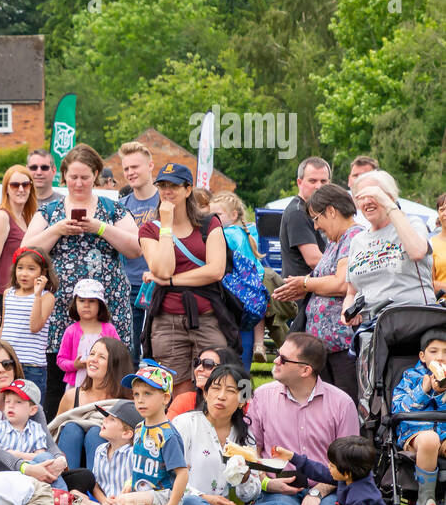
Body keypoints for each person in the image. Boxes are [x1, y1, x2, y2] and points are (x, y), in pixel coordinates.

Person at [23, 144, 140, 416]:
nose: (78, 183)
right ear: (63, 176)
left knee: (113, 372)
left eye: (85, 177)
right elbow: (27, 250)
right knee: (59, 376)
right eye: (73, 177)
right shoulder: (49, 212)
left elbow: (135, 248)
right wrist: (58, 229)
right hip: (64, 307)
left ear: (96, 175)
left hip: (109, 305)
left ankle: (117, 427)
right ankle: (60, 434)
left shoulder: (113, 210)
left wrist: (99, 227)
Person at [136, 162, 236, 395]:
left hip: (207, 316)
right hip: (167, 320)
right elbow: (162, 270)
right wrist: (167, 226)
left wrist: (171, 282)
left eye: (174, 186)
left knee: (215, 380)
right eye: (162, 186)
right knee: (174, 387)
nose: (167, 191)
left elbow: (215, 271)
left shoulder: (209, 223)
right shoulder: (150, 229)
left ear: (188, 189)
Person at [246, 333, 359, 505]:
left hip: (327, 489)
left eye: (283, 359)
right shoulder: (262, 396)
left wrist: (317, 492)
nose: (276, 361)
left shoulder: (342, 403)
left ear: (305, 370)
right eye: (278, 355)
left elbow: (349, 464)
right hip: (277, 489)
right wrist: (267, 482)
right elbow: (252, 450)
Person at [271, 184, 362, 401]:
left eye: (317, 218)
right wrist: (300, 288)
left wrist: (305, 284)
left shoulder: (354, 236)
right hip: (326, 348)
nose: (316, 226)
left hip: (343, 347)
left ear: (331, 211)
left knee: (345, 404)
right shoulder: (335, 241)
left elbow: (342, 283)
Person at [168, 362, 266, 505]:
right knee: (192, 503)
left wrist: (244, 478)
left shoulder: (245, 436)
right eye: (215, 388)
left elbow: (249, 495)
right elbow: (169, 477)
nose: (221, 396)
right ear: (205, 394)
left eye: (230, 391)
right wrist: (205, 500)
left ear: (242, 400)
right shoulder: (184, 424)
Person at [104, 363, 187, 505]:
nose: (140, 400)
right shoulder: (140, 429)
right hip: (140, 499)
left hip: (164, 497)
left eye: (147, 394)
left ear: (165, 398)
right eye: (136, 394)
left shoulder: (168, 435)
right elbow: (138, 465)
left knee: (124, 502)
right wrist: (128, 483)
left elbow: (182, 473)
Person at [0, 339, 63, 482]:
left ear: (15, 368)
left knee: (82, 476)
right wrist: (26, 468)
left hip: (30, 471)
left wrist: (59, 460)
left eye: (7, 364)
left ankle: (62, 499)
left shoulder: (31, 405)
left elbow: (49, 444)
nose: (1, 370)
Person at [343, 170, 435, 326]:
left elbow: (418, 252)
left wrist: (388, 205)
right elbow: (351, 292)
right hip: (372, 328)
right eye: (361, 197)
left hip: (413, 321)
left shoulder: (411, 223)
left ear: (390, 197)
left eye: (373, 195)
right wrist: (347, 311)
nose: (367, 202)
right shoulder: (357, 240)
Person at [389, 328, 446, 505]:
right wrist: (424, 389)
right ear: (422, 356)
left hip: (444, 433)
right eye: (434, 351)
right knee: (431, 439)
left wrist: (441, 394)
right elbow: (399, 407)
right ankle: (426, 499)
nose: (440, 357)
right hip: (416, 434)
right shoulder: (410, 376)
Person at [49, 336, 133, 469]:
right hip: (68, 467)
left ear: (115, 365)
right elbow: (54, 434)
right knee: (71, 429)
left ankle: (96, 488)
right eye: (92, 354)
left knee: (95, 432)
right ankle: (67, 486)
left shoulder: (126, 403)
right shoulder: (71, 396)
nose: (93, 359)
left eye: (101, 357)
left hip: (110, 471)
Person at [209, 190, 268, 365]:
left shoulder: (226, 234)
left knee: (232, 347)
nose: (213, 218)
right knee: (247, 337)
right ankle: (258, 346)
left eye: (217, 214)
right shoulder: (247, 232)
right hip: (252, 291)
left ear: (234, 214)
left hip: (233, 294)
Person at [117, 141, 162, 361]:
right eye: (126, 168)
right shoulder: (120, 205)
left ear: (150, 165)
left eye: (135, 167)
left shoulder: (165, 200)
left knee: (159, 348)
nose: (130, 172)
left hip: (161, 283)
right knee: (131, 350)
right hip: (129, 284)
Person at [0, 247, 56, 401]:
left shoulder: (46, 297)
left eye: (31, 269)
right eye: (20, 267)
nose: (24, 273)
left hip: (31, 366)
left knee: (30, 410)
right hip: (7, 363)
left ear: (42, 273)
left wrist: (37, 295)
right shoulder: (8, 293)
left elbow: (35, 326)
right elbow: (4, 327)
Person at [0, 164, 37, 330]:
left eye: (25, 184)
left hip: (24, 293)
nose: (21, 189)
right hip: (5, 295)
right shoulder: (2, 216)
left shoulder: (28, 218)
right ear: (6, 189)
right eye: (15, 185)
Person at [56, 279, 119, 390]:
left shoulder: (109, 330)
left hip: (104, 385)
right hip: (75, 386)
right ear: (75, 303)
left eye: (91, 301)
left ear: (100, 304)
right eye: (81, 300)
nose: (86, 305)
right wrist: (75, 365)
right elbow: (61, 360)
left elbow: (118, 355)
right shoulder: (71, 331)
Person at [278, 157, 331, 281]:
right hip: (301, 296)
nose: (318, 186)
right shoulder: (297, 212)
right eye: (312, 181)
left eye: (323, 181)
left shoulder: (318, 210)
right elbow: (314, 260)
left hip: (315, 289)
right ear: (299, 182)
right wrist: (347, 271)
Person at [166, 345, 238, 418]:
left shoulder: (243, 404)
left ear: (228, 369)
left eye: (208, 364)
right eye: (197, 363)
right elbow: (167, 428)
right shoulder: (185, 400)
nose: (198, 369)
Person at [432, 192, 446, 299]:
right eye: (442, 209)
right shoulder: (431, 244)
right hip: (442, 309)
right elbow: (428, 282)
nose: (445, 213)